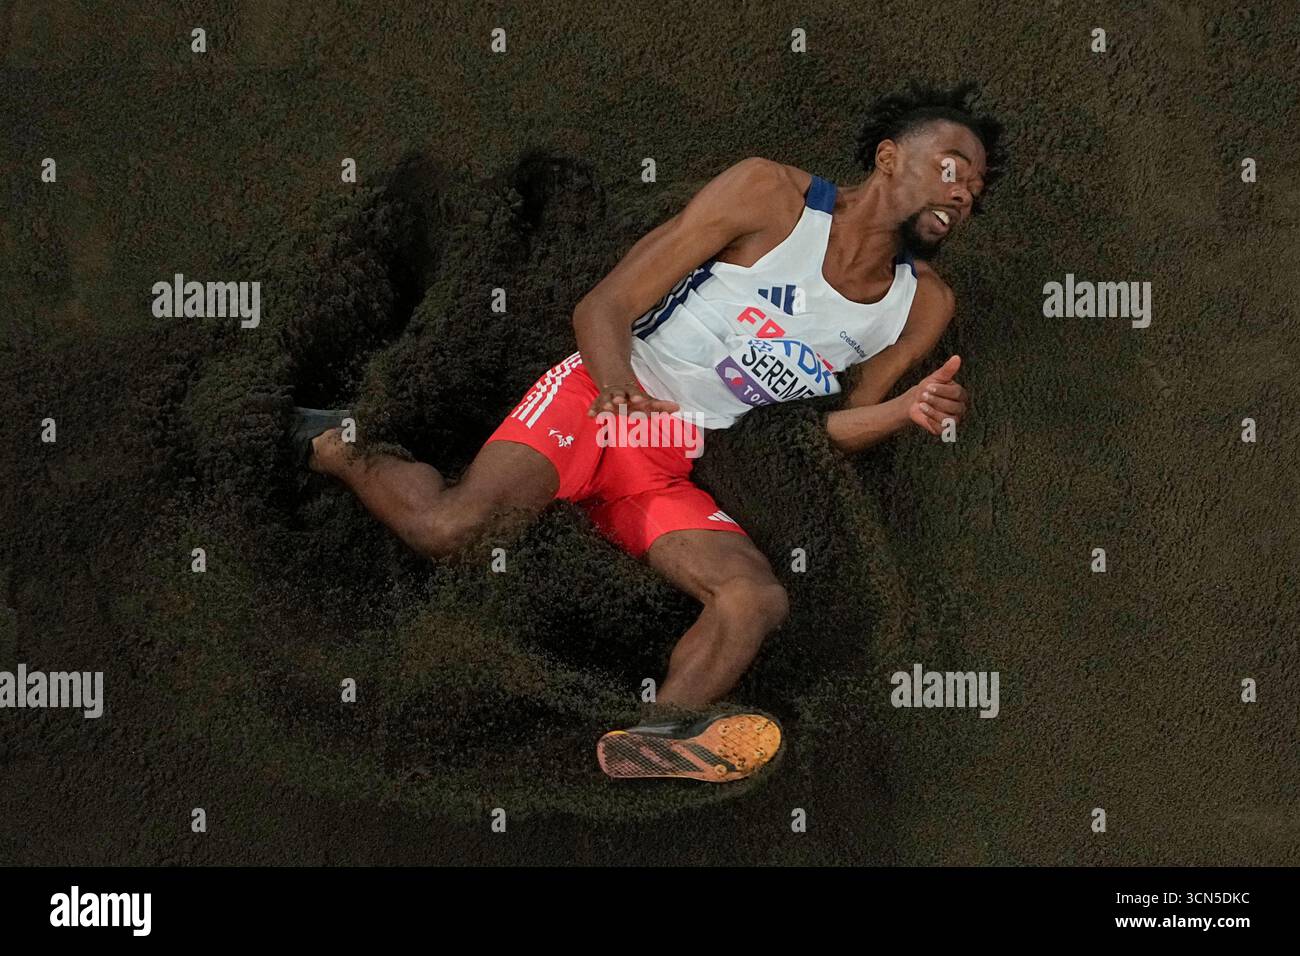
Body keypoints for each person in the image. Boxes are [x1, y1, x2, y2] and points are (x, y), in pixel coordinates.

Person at [292, 82, 1005, 783]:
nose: (964, 194)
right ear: (887, 157)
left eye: (975, 191)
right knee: (451, 529)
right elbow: (605, 304)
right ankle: (343, 447)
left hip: (670, 464)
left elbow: (820, 440)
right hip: (597, 401)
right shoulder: (769, 196)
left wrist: (904, 410)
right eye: (953, 168)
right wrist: (618, 394)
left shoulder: (921, 307)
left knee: (754, 599)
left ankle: (653, 738)